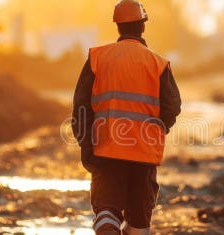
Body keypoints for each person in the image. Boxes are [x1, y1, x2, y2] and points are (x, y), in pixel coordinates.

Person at [71, 0, 181, 234]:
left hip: (106, 152)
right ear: (143, 25)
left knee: (106, 213)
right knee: (139, 223)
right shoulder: (158, 64)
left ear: (118, 26)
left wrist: (86, 145)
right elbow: (172, 107)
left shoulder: (98, 58)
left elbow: (81, 107)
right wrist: (153, 131)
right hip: (143, 157)